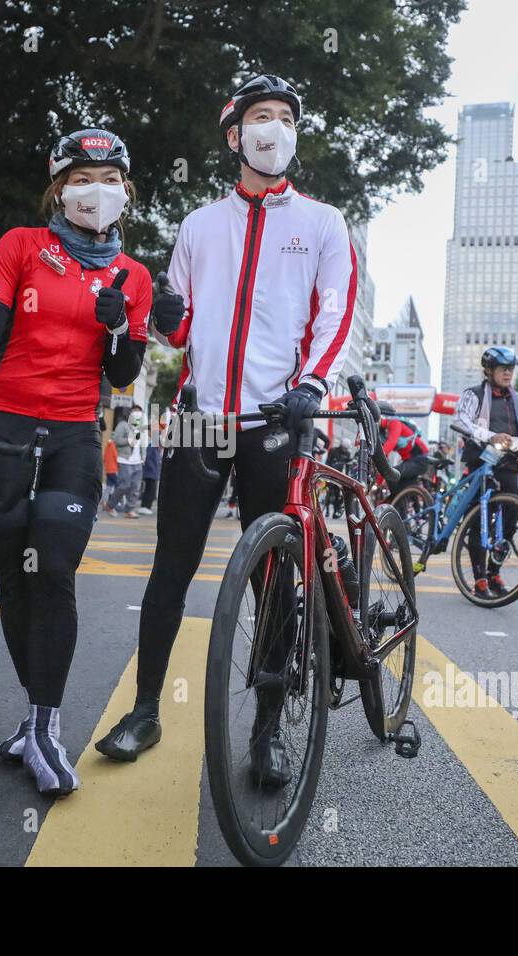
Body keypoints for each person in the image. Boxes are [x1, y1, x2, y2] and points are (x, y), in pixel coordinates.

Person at [96, 74, 357, 778]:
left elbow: (336, 314)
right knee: (170, 569)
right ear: (235, 135)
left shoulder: (324, 223)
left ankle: (267, 732)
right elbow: (177, 332)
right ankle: (145, 711)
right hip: (197, 419)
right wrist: (158, 315)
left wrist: (310, 383)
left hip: (279, 418)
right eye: (261, 117)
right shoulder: (199, 224)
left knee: (274, 576)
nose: (276, 129)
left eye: (286, 118)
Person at [0, 127, 155, 796]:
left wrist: (119, 324)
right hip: (3, 428)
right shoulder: (21, 246)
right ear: (59, 188)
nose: (100, 189)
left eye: (112, 178)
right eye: (85, 177)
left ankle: (45, 724)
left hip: (72, 437)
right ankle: (32, 716)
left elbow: (123, 373)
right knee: (14, 578)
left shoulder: (135, 276)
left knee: (53, 570)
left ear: (127, 191)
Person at [452, 346, 518, 598]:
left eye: (511, 369)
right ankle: (479, 580)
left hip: (508, 463)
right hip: (482, 460)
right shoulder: (473, 394)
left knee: (512, 516)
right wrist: (489, 436)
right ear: (489, 370)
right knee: (479, 520)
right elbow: (460, 420)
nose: (508, 373)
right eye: (502, 368)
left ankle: (494, 571)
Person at [109, 404, 146, 517]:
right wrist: (129, 440)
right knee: (124, 485)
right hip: (125, 460)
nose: (137, 414)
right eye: (135, 411)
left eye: (139, 412)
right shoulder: (123, 425)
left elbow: (142, 443)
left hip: (137, 461)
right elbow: (116, 439)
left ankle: (129, 510)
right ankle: (110, 505)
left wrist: (143, 456)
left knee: (135, 486)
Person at [138, 414, 164, 515]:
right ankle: (145, 506)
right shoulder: (151, 445)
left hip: (154, 471)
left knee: (151, 490)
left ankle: (146, 506)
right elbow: (149, 460)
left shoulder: (155, 445)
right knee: (149, 490)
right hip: (151, 472)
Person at [101, 428, 119, 513]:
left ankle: (104, 501)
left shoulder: (107, 446)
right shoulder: (113, 446)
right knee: (118, 486)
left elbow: (104, 457)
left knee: (108, 487)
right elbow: (116, 458)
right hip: (113, 469)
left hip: (108, 469)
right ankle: (115, 502)